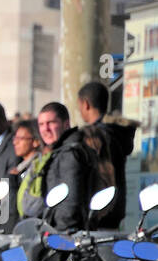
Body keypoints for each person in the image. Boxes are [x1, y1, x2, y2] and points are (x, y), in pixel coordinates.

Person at [77, 81, 138, 229]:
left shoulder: (92, 136)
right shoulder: (117, 133)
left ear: (85, 104)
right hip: (116, 210)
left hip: (96, 214)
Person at [37, 101, 93, 231]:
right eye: (41, 124)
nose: (45, 129)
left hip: (65, 234)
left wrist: (60, 234)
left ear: (66, 124)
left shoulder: (70, 153)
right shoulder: (60, 150)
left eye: (51, 123)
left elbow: (71, 201)